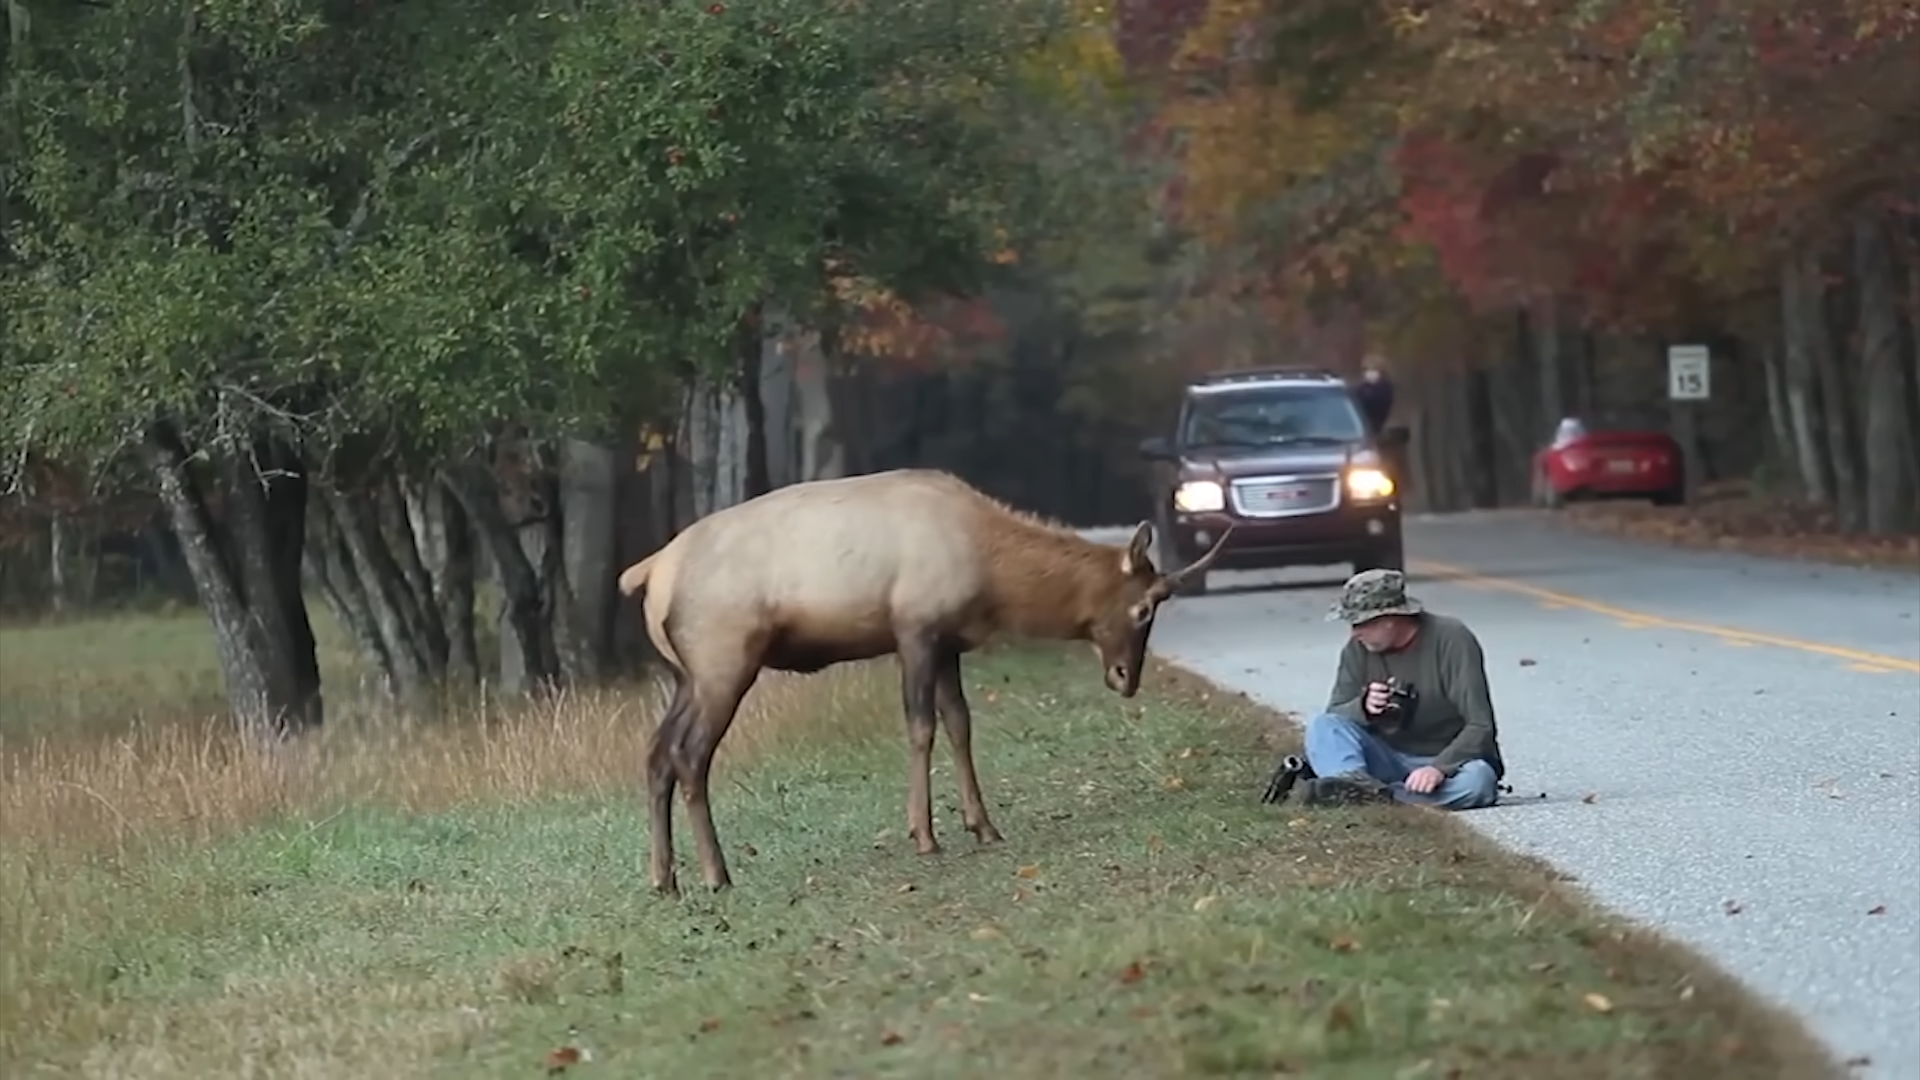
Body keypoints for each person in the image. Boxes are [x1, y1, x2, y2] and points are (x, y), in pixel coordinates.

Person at [1297, 569, 1507, 810]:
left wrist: (1439, 768)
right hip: (1389, 756)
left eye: (1361, 624)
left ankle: (1371, 798)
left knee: (1477, 782)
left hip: (1449, 760)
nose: (1354, 633)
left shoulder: (1451, 638)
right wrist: (1364, 707)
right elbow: (1336, 715)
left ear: (1390, 619)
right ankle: (1350, 784)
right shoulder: (1357, 648)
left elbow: (1481, 725)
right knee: (1321, 723)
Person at [1352, 356, 1395, 435]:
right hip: (1358, 428)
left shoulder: (1384, 388)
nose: (1369, 373)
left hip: (1373, 428)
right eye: (1366, 369)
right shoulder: (1361, 388)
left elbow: (1381, 408)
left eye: (1373, 369)